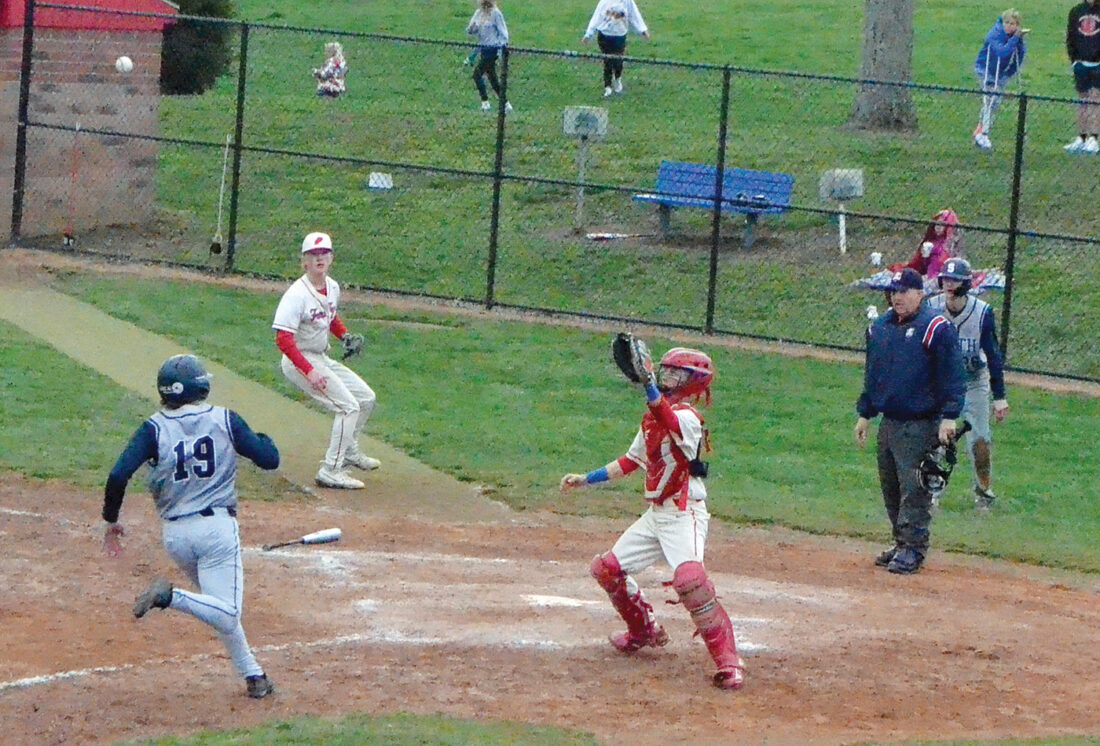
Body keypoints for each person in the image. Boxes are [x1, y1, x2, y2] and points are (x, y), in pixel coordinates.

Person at [560, 346, 745, 690]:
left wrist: (649, 388)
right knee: (607, 569)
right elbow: (630, 461)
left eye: (678, 372)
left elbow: (669, 419)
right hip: (656, 515)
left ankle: (728, 663)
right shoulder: (652, 417)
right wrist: (587, 478)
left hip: (683, 513)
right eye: (666, 370)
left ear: (696, 381)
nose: (668, 376)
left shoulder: (688, 418)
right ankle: (643, 630)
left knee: (691, 581)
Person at [102, 354, 279, 699]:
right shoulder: (225, 419)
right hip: (216, 533)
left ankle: (254, 676)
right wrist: (265, 438)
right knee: (226, 612)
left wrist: (111, 519)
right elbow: (269, 460)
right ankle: (170, 597)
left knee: (216, 607)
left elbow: (117, 475)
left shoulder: (152, 428)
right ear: (200, 386)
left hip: (176, 536)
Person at [855, 268, 966, 575]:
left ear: (920, 294)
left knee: (914, 487)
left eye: (905, 292)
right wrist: (865, 413)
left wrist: (950, 416)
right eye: (894, 292)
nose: (898, 297)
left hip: (921, 422)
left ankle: (914, 548)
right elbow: (873, 375)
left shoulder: (935, 327)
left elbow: (953, 375)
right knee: (890, 485)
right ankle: (901, 542)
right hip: (889, 421)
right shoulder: (881, 327)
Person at [273, 231, 379, 490]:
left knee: (366, 398)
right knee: (347, 407)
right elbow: (283, 339)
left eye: (324, 253)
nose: (319, 258)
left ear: (331, 258)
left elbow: (329, 316)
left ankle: (349, 451)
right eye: (313, 254)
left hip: (320, 357)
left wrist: (344, 336)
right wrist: (309, 372)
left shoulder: (332, 287)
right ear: (304, 261)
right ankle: (331, 469)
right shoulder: (296, 294)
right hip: (299, 361)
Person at [926, 258, 1009, 512]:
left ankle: (983, 492)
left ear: (966, 284)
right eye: (946, 279)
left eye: (955, 280)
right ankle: (931, 494)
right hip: (940, 382)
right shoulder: (931, 306)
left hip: (974, 381)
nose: (949, 284)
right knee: (935, 439)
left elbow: (993, 356)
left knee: (980, 440)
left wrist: (1000, 397)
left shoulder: (981, 312)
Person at [972, 9, 1028, 151]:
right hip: (985, 69)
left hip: (1000, 73)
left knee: (994, 102)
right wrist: (1015, 39)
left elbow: (1019, 55)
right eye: (1007, 23)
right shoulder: (995, 33)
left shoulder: (1015, 38)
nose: (1010, 26)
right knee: (991, 99)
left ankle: (980, 130)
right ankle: (982, 133)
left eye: (1013, 24)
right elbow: (1002, 52)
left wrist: (1008, 73)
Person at [582, 0, 649, 98]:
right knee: (607, 61)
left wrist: (642, 30)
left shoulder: (627, 2)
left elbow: (634, 16)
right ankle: (608, 87)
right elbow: (596, 17)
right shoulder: (604, 2)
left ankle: (617, 79)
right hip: (605, 35)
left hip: (619, 35)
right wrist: (588, 34)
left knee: (618, 60)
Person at [1065, 0, 1100, 153]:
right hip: (1080, 62)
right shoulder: (1077, 11)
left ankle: (1093, 137)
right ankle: (1081, 136)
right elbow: (1070, 35)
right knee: (1083, 100)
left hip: (1097, 63)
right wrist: (1074, 59)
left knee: (1095, 99)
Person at [466, 0, 513, 113]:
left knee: (477, 74)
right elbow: (471, 30)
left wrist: (500, 48)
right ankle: (506, 104)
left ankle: (485, 102)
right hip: (484, 49)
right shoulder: (479, 13)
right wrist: (472, 28)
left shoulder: (495, 13)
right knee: (493, 79)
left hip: (492, 49)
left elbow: (503, 33)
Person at [899, 209, 960, 280]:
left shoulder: (950, 245)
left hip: (940, 278)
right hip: (928, 275)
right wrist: (924, 257)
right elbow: (921, 265)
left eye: (942, 224)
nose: (938, 227)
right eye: (936, 223)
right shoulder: (931, 241)